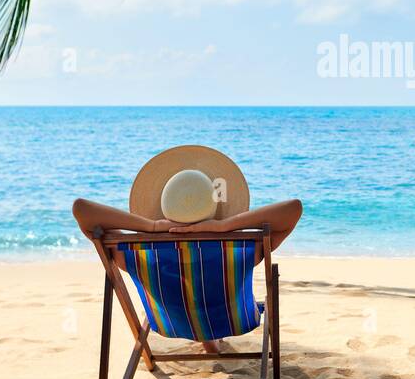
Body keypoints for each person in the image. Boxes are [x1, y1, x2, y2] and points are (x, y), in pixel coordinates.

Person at [73, 145, 302, 353]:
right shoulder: (241, 250)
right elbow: (294, 208)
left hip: (172, 322)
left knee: (187, 287)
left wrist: (151, 227)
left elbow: (81, 209)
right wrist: (223, 226)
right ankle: (210, 337)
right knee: (208, 284)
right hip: (232, 319)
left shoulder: (134, 253)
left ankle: (207, 340)